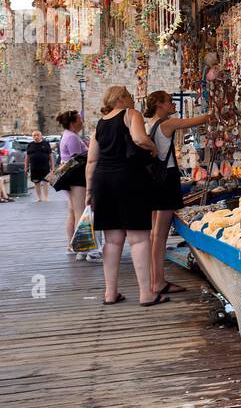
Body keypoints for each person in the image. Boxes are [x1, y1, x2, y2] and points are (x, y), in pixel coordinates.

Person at [86, 85, 164, 306]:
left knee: (112, 240)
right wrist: (153, 148)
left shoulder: (99, 125)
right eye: (129, 96)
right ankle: (146, 294)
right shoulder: (131, 115)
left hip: (103, 181)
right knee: (138, 238)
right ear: (120, 98)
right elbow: (139, 139)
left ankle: (110, 293)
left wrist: (90, 191)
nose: (132, 100)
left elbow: (92, 161)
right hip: (129, 178)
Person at [142, 91, 212, 296]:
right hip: (166, 178)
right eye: (170, 102)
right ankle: (158, 282)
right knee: (160, 234)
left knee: (155, 233)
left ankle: (155, 279)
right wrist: (214, 113)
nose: (173, 105)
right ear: (159, 105)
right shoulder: (167, 124)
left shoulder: (149, 124)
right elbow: (197, 120)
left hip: (155, 179)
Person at [55, 110, 92, 257]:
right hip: (76, 178)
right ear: (73, 122)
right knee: (80, 212)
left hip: (69, 178)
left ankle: (71, 244)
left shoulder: (67, 136)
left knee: (72, 211)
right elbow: (79, 160)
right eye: (79, 119)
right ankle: (81, 247)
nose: (82, 121)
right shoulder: (73, 138)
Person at [25, 130, 52, 203]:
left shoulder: (46, 144)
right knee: (36, 183)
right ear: (32, 136)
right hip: (34, 167)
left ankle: (46, 197)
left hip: (45, 167)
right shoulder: (30, 145)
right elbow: (27, 157)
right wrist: (26, 167)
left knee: (45, 182)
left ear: (41, 136)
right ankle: (39, 197)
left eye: (38, 135)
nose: (36, 137)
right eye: (34, 135)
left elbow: (50, 156)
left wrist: (52, 167)